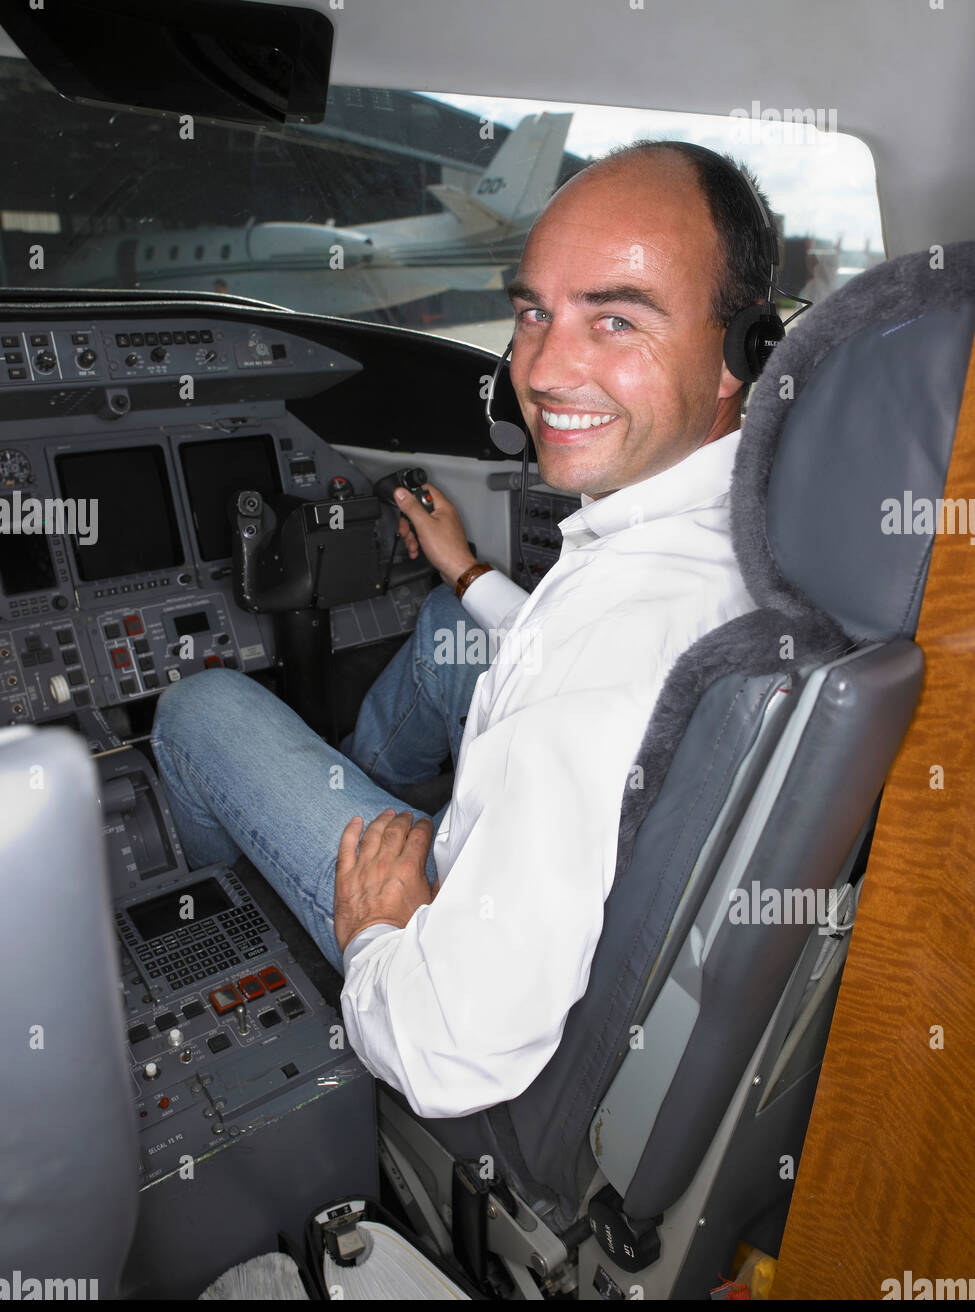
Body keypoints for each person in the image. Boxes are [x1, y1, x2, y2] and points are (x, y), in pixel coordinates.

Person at [150, 141, 765, 1119]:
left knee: (200, 705)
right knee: (448, 624)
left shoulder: (600, 664)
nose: (545, 369)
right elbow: (573, 673)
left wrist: (379, 927)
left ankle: (240, 911)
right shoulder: (736, 530)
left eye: (616, 318)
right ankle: (343, 788)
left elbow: (448, 1051)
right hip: (618, 889)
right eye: (533, 312)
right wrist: (469, 572)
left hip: (449, 987)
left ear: (740, 353)